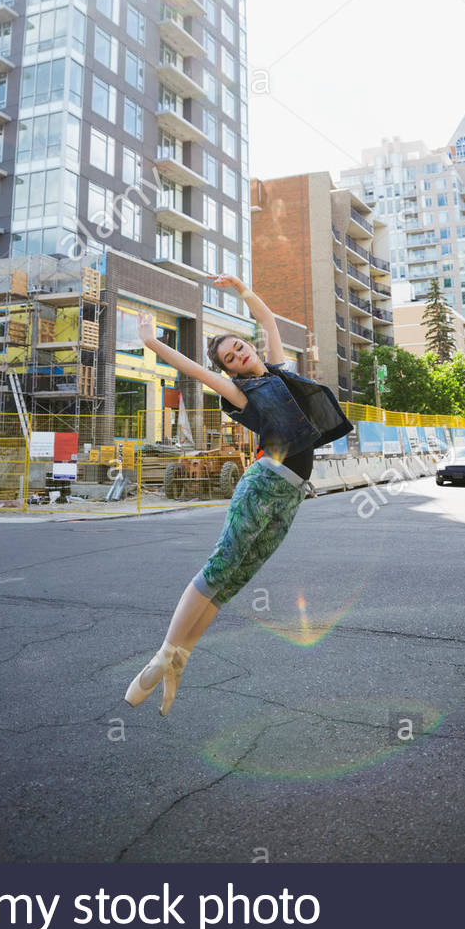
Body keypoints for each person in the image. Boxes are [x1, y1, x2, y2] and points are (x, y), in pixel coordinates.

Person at [124, 273, 354, 717]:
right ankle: (162, 654)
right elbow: (194, 369)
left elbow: (268, 320)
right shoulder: (241, 392)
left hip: (291, 497)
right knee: (219, 566)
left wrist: (242, 290)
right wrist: (152, 343)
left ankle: (180, 659)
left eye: (238, 347)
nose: (238, 355)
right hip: (264, 484)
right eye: (230, 358)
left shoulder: (281, 369)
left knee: (234, 580)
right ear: (230, 369)